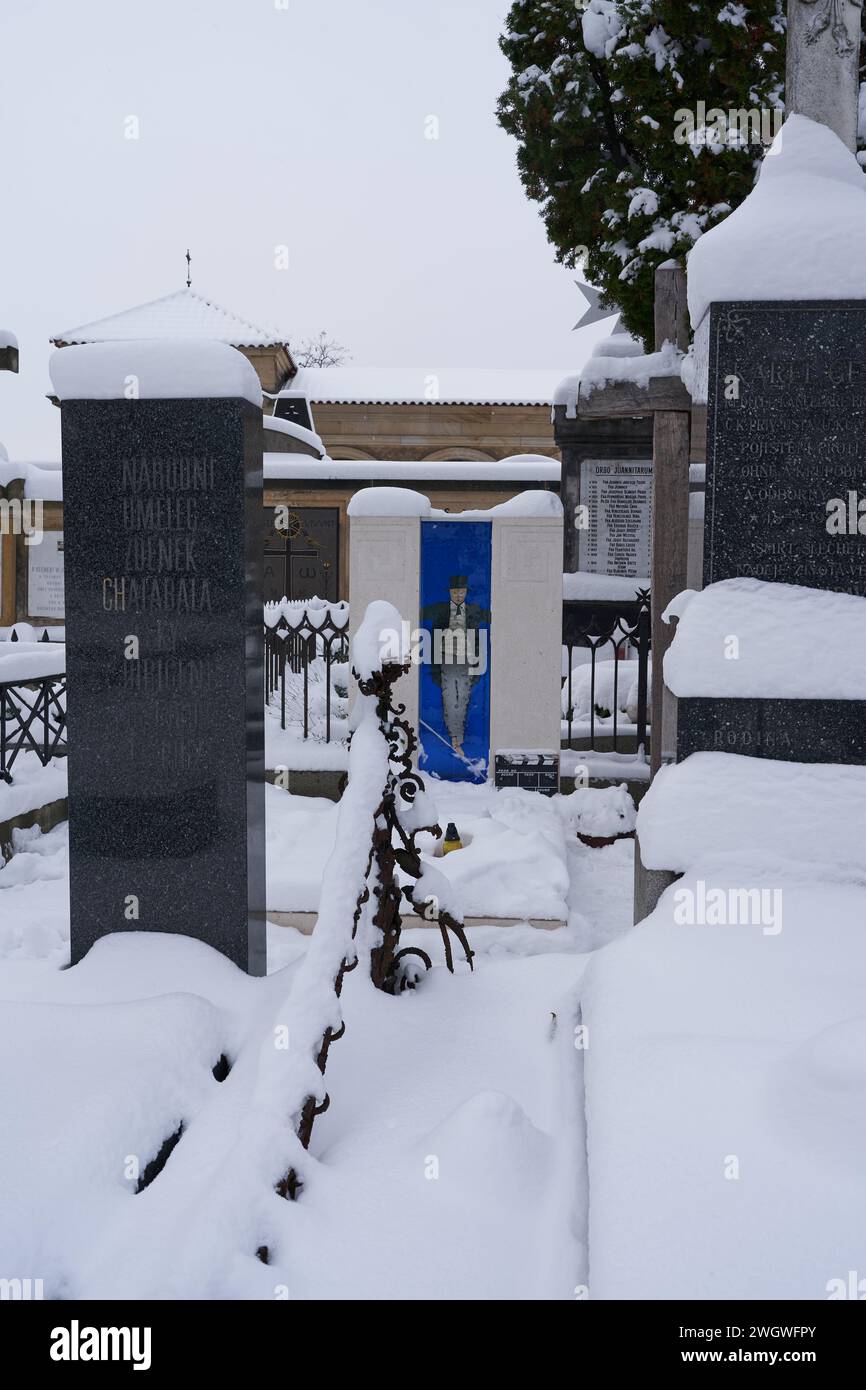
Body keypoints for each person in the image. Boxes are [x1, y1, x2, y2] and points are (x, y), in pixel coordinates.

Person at [421, 575, 490, 756]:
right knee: (450, 698)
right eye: (455, 592)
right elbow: (418, 611)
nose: (458, 595)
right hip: (448, 659)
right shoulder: (441, 610)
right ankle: (455, 738)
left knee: (464, 699)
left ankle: (457, 737)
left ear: (466, 592)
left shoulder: (474, 610)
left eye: (461, 591)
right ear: (450, 593)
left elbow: (493, 617)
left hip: (467, 659)